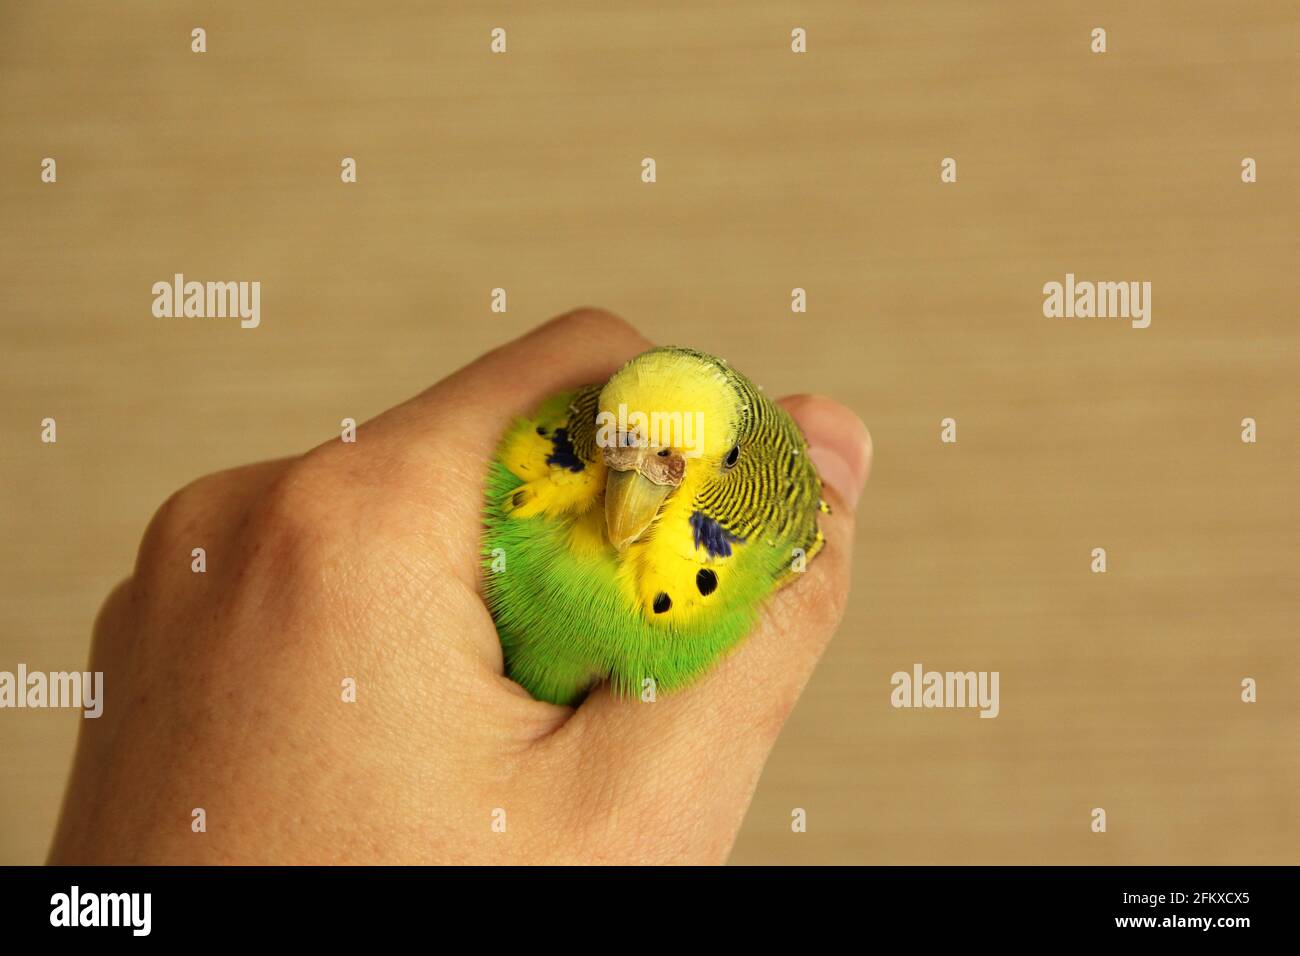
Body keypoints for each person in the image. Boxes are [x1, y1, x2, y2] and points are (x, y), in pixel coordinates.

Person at [48, 308, 872, 864]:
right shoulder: (522, 490)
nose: (635, 489)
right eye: (618, 451)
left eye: (676, 465)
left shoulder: (775, 551)